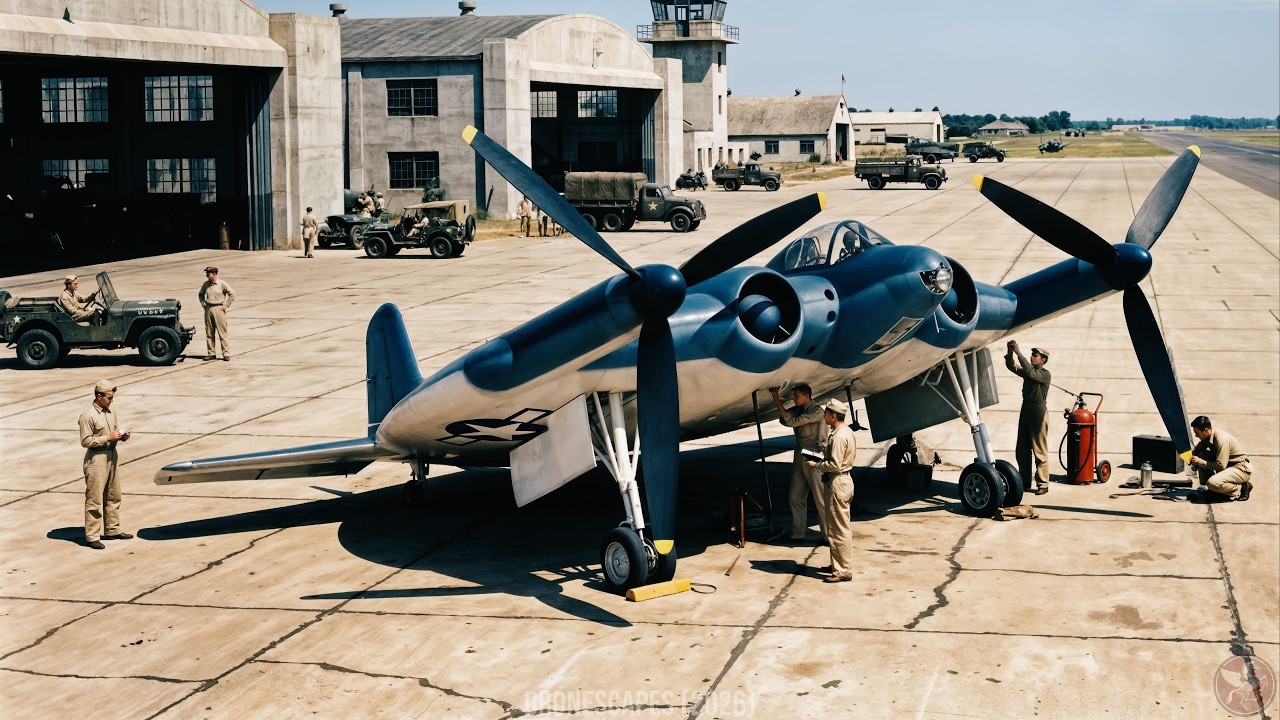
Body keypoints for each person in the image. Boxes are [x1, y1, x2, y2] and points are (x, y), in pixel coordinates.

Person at [806, 398, 856, 583]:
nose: (824, 415)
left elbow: (834, 464)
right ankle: (838, 564)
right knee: (835, 527)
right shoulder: (844, 432)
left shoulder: (839, 436)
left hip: (837, 483)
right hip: (842, 481)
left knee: (839, 529)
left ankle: (843, 570)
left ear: (833, 416)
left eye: (826, 413)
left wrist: (816, 464)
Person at [770, 384, 828, 542]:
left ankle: (827, 536)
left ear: (806, 396)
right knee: (795, 496)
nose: (794, 399)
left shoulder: (817, 412)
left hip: (814, 453)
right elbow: (784, 419)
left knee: (820, 498)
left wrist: (776, 400)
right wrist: (786, 411)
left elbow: (791, 422)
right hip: (800, 452)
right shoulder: (799, 410)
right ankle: (798, 534)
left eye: (796, 396)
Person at [79, 380, 132, 549]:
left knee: (113, 495)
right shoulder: (88, 415)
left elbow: (114, 430)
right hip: (96, 459)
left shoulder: (110, 411)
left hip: (112, 455)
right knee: (94, 498)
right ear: (99, 396)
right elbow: (85, 441)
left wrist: (121, 436)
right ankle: (92, 536)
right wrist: (108, 438)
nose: (111, 400)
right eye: (109, 398)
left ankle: (112, 530)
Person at [1005, 340, 1051, 495]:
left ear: (1043, 360)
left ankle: (1043, 483)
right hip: (1026, 410)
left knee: (1039, 449)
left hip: (1038, 411)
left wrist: (1018, 352)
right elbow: (1012, 367)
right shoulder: (1029, 370)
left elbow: (1030, 372)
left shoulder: (1044, 374)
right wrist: (1010, 352)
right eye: (1031, 355)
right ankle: (1025, 481)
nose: (1032, 357)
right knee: (1022, 449)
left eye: (1035, 355)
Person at [1190, 416, 1252, 501]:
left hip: (1240, 468)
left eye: (1197, 433)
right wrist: (1190, 456)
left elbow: (1220, 465)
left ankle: (1242, 487)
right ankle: (1213, 491)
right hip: (1228, 466)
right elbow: (1197, 450)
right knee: (1202, 455)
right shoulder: (1207, 437)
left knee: (1212, 483)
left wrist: (1199, 462)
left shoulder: (1221, 440)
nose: (1196, 436)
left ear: (1206, 430)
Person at [199, 266, 235, 362]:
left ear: (214, 273)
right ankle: (211, 353)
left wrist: (226, 305)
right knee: (209, 332)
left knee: (222, 332)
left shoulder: (222, 284)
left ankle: (226, 354)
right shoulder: (206, 284)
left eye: (208, 273)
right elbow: (201, 294)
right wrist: (203, 304)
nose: (207, 275)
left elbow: (232, 293)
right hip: (208, 309)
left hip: (219, 308)